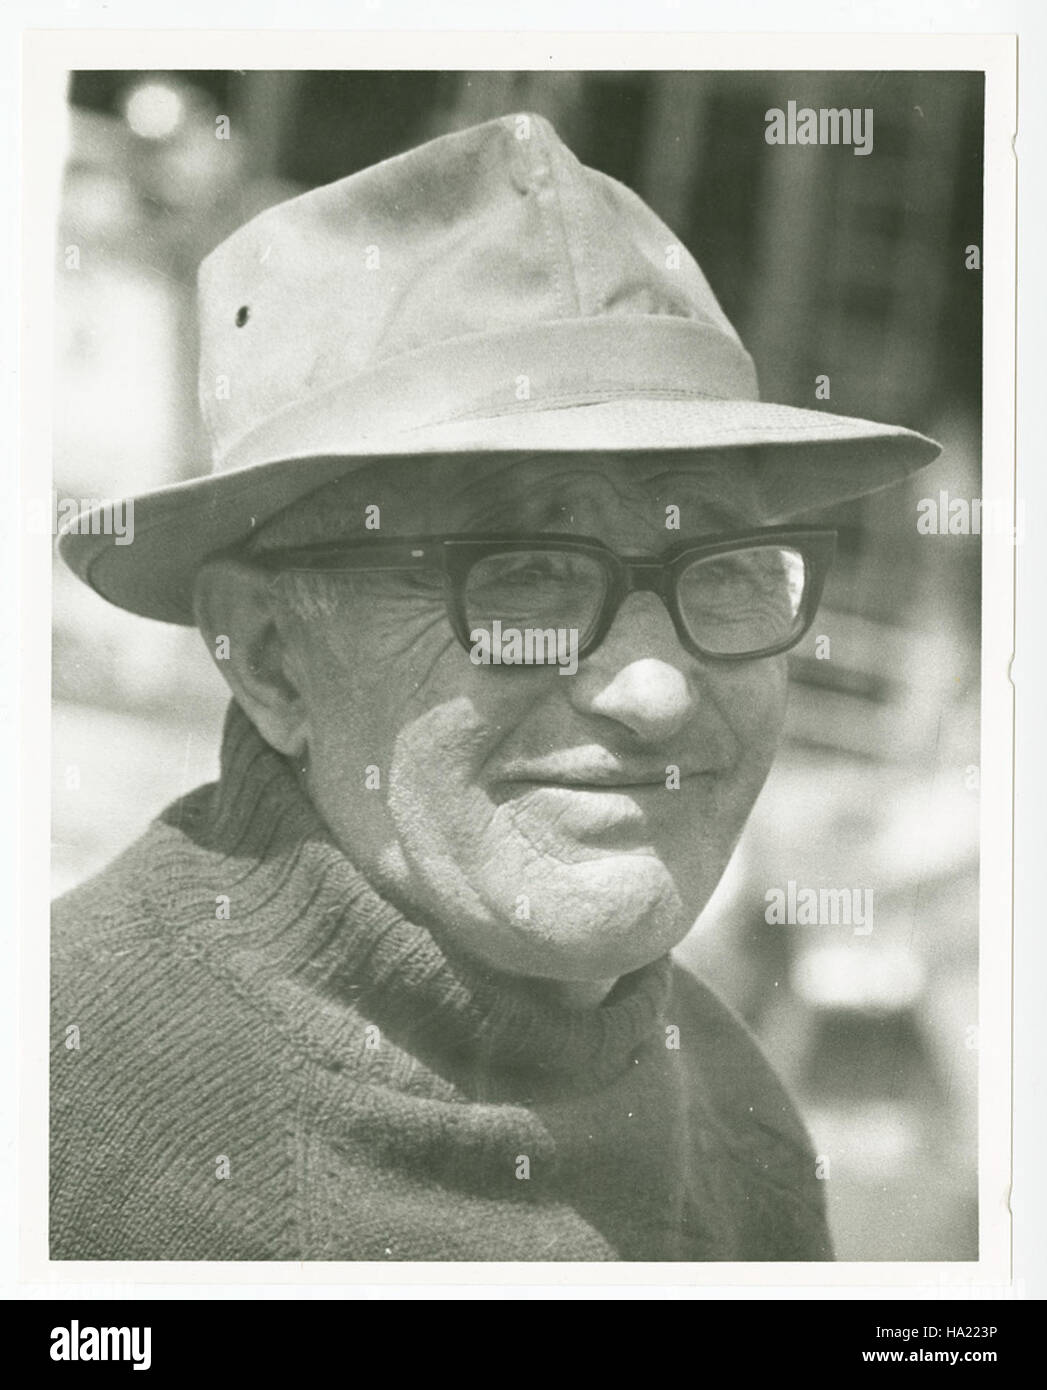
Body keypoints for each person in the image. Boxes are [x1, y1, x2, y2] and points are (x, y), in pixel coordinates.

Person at [50, 112, 939, 1261]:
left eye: (720, 571)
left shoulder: (747, 1133)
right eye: (526, 577)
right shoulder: (59, 1126)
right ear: (270, 654)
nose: (656, 697)